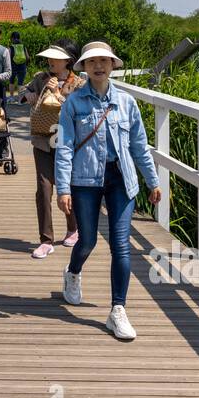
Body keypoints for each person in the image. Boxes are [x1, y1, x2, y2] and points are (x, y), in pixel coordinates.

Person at [54, 40, 162, 339]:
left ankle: (118, 310)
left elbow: (140, 146)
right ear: (84, 67)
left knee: (121, 244)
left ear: (113, 65)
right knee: (87, 241)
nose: (99, 66)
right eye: (92, 62)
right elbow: (64, 147)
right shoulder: (74, 103)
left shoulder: (127, 103)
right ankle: (73, 273)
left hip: (120, 179)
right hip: (85, 179)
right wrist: (62, 188)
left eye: (104, 61)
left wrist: (152, 181)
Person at [20, 40, 84, 258]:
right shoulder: (40, 78)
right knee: (44, 189)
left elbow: (81, 109)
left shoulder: (79, 84)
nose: (50, 61)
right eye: (49, 57)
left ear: (68, 60)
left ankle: (73, 228)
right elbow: (24, 91)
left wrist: (58, 94)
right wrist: (28, 95)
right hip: (42, 141)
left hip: (68, 144)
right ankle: (46, 240)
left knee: (67, 187)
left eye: (55, 58)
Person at [9, 30, 29, 96]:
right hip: (22, 66)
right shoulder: (23, 46)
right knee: (20, 83)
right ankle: (20, 100)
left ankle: (11, 97)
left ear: (12, 38)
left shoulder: (11, 47)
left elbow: (8, 58)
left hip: (13, 67)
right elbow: (28, 57)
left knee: (11, 81)